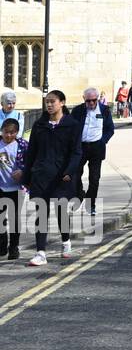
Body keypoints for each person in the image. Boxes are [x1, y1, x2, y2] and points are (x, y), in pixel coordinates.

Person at [18, 90, 83, 265]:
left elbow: (77, 152)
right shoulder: (40, 126)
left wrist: (69, 172)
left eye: (52, 101)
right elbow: (31, 152)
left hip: (62, 177)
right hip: (41, 175)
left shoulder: (72, 125)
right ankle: (41, 253)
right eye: (47, 102)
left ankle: (66, 241)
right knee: (41, 213)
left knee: (61, 211)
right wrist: (27, 176)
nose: (49, 105)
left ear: (62, 102)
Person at [71, 87, 115, 218]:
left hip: (97, 147)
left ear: (97, 99)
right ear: (84, 99)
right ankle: (79, 195)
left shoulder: (104, 110)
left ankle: (91, 204)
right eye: (88, 101)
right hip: (81, 147)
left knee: (94, 179)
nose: (91, 103)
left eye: (93, 100)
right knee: (74, 174)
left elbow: (110, 129)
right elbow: (71, 128)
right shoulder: (78, 110)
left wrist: (103, 141)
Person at [1, 117, 28, 259]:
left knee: (14, 219)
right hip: (1, 188)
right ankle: (2, 245)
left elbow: (32, 162)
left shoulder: (22, 145)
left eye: (12, 132)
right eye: (6, 132)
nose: (8, 135)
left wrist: (23, 171)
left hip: (17, 188)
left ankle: (14, 248)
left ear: (17, 132)